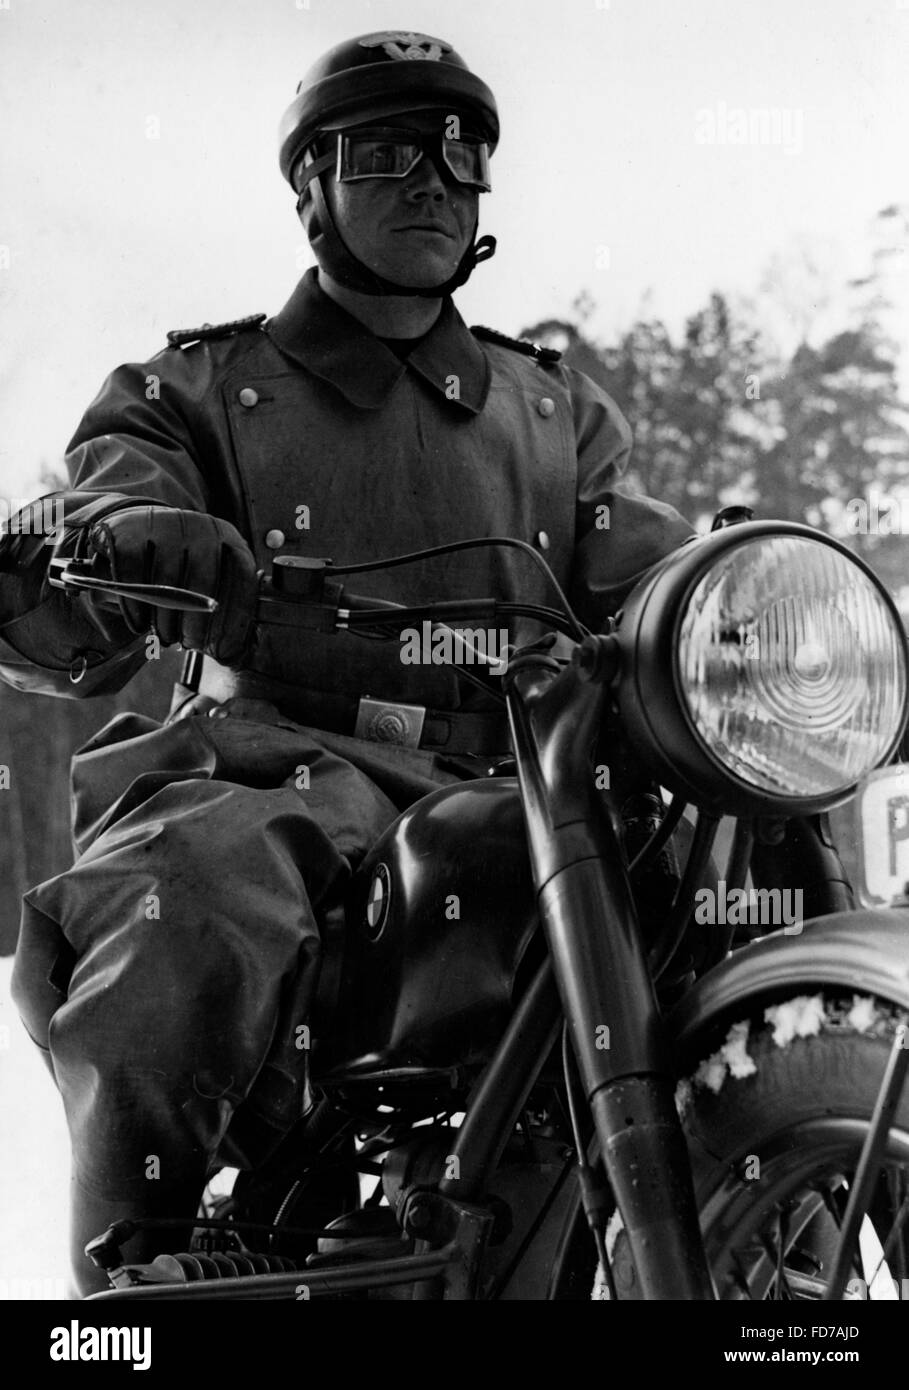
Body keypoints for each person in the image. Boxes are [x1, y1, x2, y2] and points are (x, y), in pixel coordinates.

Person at [0, 30, 694, 1296]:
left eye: (462, 150)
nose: (434, 178)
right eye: (386, 152)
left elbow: (652, 576)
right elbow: (96, 552)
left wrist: (757, 624)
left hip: (513, 802)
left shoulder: (552, 414)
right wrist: (112, 551)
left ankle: (768, 1208)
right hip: (271, 775)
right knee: (189, 900)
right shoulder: (197, 389)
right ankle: (132, 1280)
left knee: (707, 888)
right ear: (309, 185)